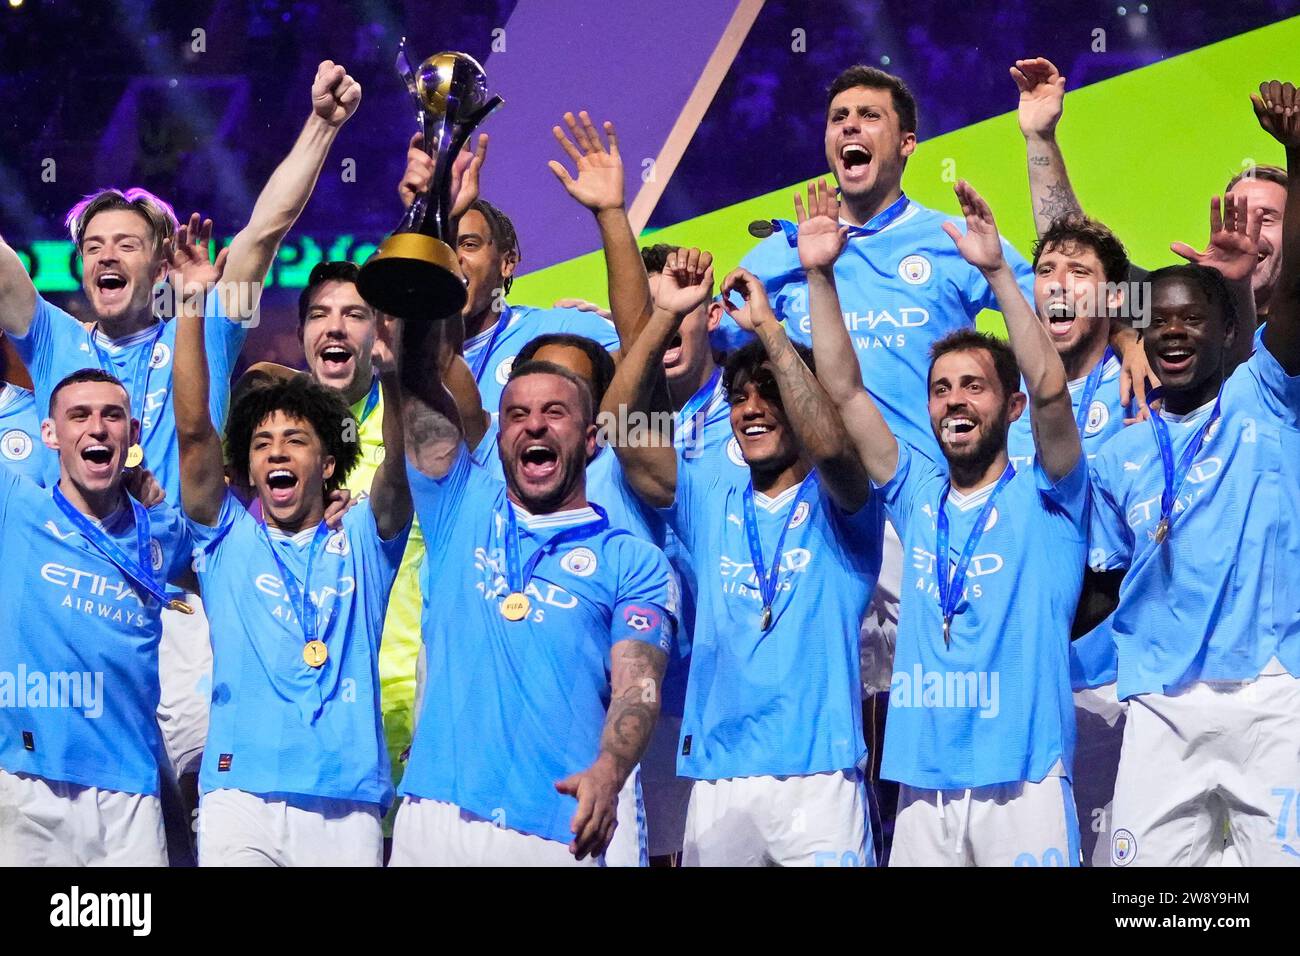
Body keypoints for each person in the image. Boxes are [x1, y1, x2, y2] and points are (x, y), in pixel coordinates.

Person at [0, 60, 364, 829]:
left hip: (188, 614)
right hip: (87, 619)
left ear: (162, 261)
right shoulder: (56, 342)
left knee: (203, 816)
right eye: (93, 244)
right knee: (104, 819)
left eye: (126, 244)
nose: (105, 256)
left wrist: (323, 126)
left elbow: (264, 233)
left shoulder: (201, 335)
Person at [803, 176, 1088, 865]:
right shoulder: (914, 492)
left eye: (974, 387)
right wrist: (821, 278)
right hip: (925, 785)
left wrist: (996, 272)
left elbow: (1049, 386)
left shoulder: (1051, 495)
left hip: (1023, 779)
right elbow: (842, 388)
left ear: (1010, 409)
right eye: (941, 389)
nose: (954, 401)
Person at [604, 234, 885, 863]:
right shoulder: (708, 494)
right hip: (717, 774)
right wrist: (665, 317)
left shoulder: (845, 504)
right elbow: (620, 428)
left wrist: (774, 338)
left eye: (770, 395)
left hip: (820, 777)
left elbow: (835, 447)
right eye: (738, 399)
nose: (751, 411)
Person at [1080, 75, 1300, 870]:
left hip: (1271, 693)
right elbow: (1100, 582)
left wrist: (1297, 159)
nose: (1173, 334)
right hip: (1161, 704)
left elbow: (1294, 302)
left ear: (1225, 332)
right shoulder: (1122, 450)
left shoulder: (1262, 397)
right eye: (1158, 321)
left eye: (1192, 319)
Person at [389, 309, 676, 866]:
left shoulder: (633, 561)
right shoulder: (459, 504)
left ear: (592, 440)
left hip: (556, 823)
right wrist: (418, 279)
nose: (534, 426)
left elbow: (637, 686)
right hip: (434, 818)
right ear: (500, 439)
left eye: (555, 413)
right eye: (516, 414)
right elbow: (419, 379)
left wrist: (609, 771)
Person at [171, 217, 412, 866]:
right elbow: (193, 433)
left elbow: (399, 474)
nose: (278, 451)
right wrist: (192, 308)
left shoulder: (362, 536)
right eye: (262, 444)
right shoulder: (225, 541)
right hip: (239, 796)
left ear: (329, 463)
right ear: (244, 469)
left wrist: (393, 375)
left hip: (351, 795)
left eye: (297, 440)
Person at [294, 259, 486, 824]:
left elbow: (466, 412)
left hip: (409, 700)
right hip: (307, 702)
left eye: (355, 314)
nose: (334, 327)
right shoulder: (274, 430)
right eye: (319, 314)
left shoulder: (417, 420)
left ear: (380, 330)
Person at [0, 367, 189, 865]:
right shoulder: (14, 507)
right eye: (78, 416)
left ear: (133, 434)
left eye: (112, 416)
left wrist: (328, 507)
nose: (97, 428)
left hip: (130, 793)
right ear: (50, 434)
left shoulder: (164, 530)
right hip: (26, 784)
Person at [398, 131, 619, 414]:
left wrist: (612, 214)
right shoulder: (402, 349)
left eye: (469, 244)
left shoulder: (558, 331)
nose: (454, 258)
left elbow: (642, 364)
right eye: (446, 245)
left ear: (507, 262)